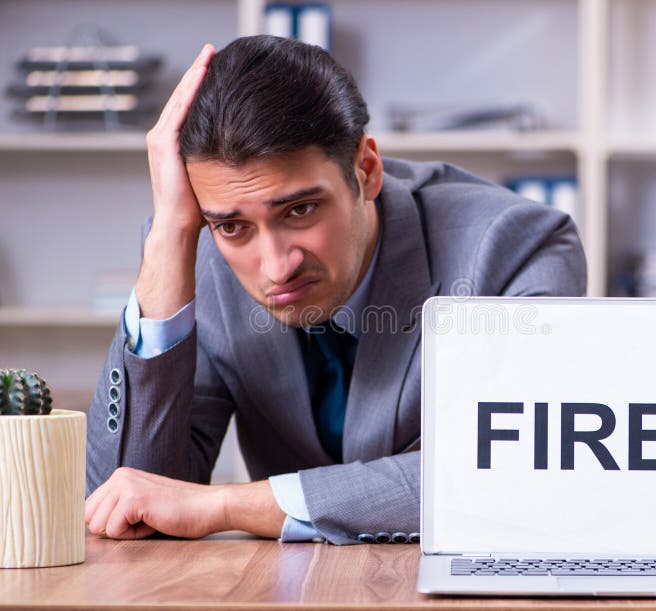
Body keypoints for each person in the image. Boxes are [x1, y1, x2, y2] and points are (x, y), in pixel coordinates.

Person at [84, 35, 587, 544]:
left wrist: (227, 504)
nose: (277, 267)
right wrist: (170, 231)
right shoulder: (202, 256)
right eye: (233, 227)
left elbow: (514, 476)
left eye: (300, 210)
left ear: (366, 170)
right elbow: (124, 507)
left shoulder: (517, 248)